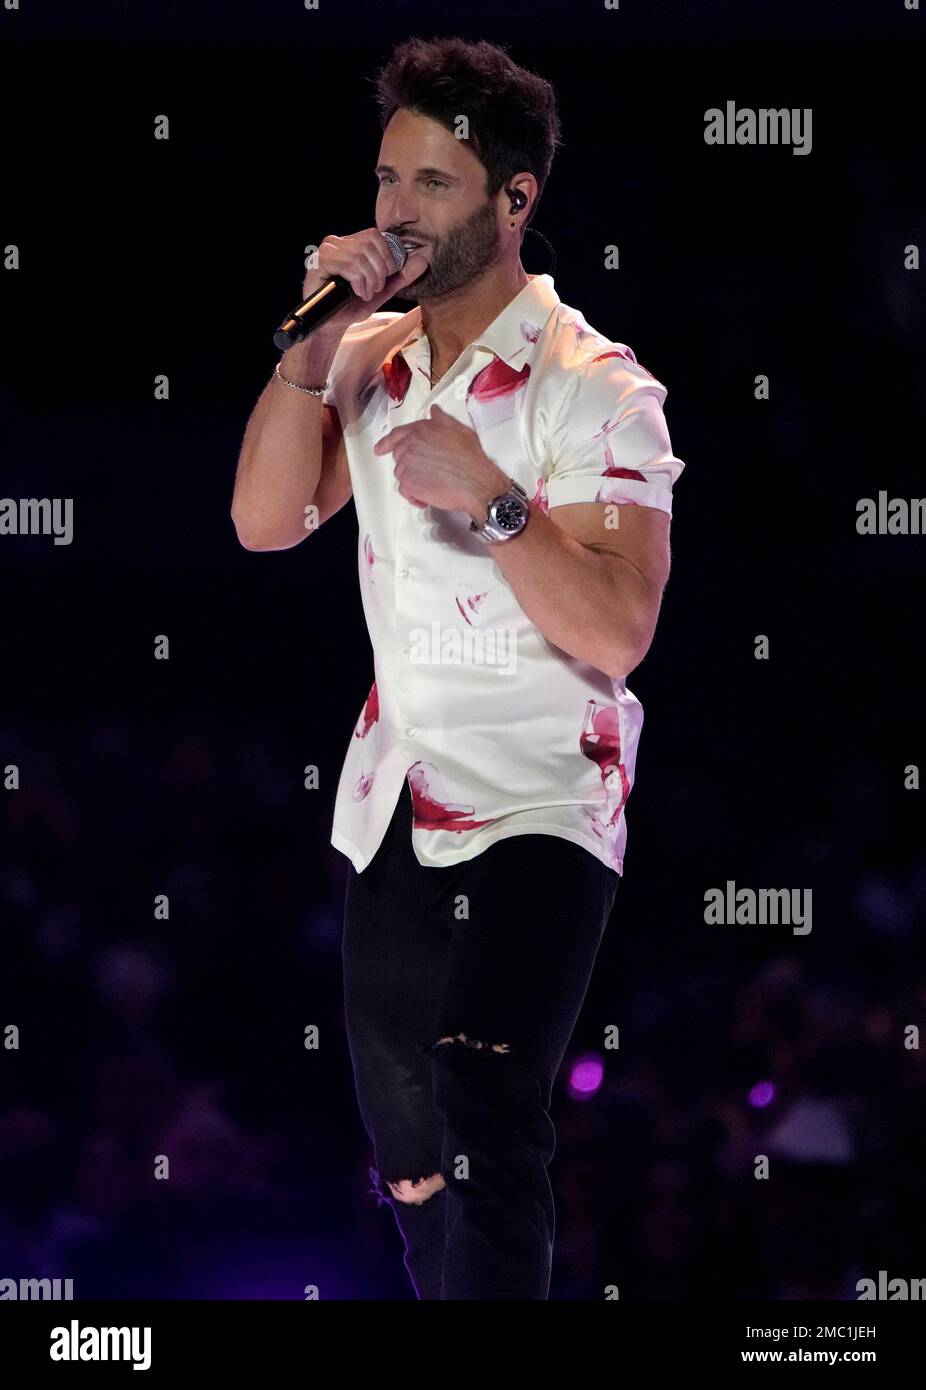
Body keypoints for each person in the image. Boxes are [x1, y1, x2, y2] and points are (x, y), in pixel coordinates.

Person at [231, 35, 685, 1300]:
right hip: (400, 792)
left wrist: (494, 502)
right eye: (386, 180)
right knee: (415, 1159)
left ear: (513, 198)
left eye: (432, 183)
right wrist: (308, 354)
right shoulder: (367, 358)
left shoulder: (599, 389)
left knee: (484, 1090)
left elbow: (613, 631)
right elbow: (265, 524)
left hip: (543, 791)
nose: (394, 210)